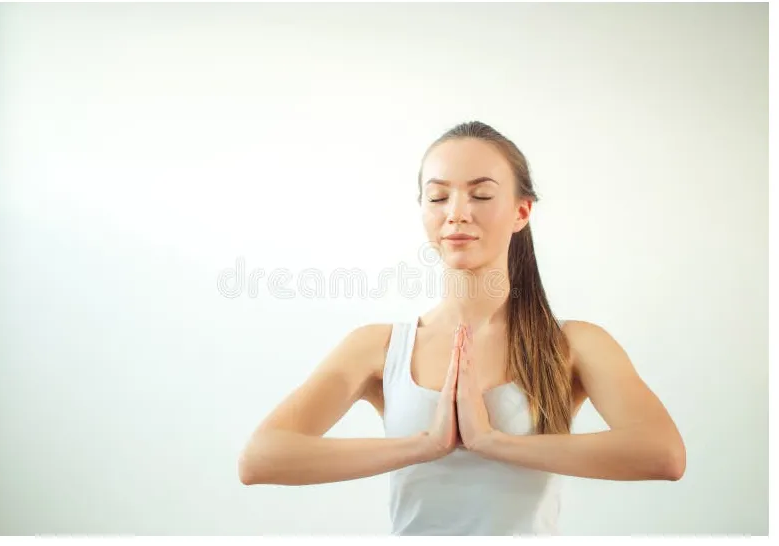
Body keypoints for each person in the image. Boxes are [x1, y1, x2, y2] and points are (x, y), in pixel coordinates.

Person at [237, 120, 686, 535]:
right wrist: (425, 445)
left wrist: (492, 442)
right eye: (437, 197)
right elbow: (261, 459)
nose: (456, 212)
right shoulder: (379, 347)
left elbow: (663, 454)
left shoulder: (575, 345)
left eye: (481, 195)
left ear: (521, 212)